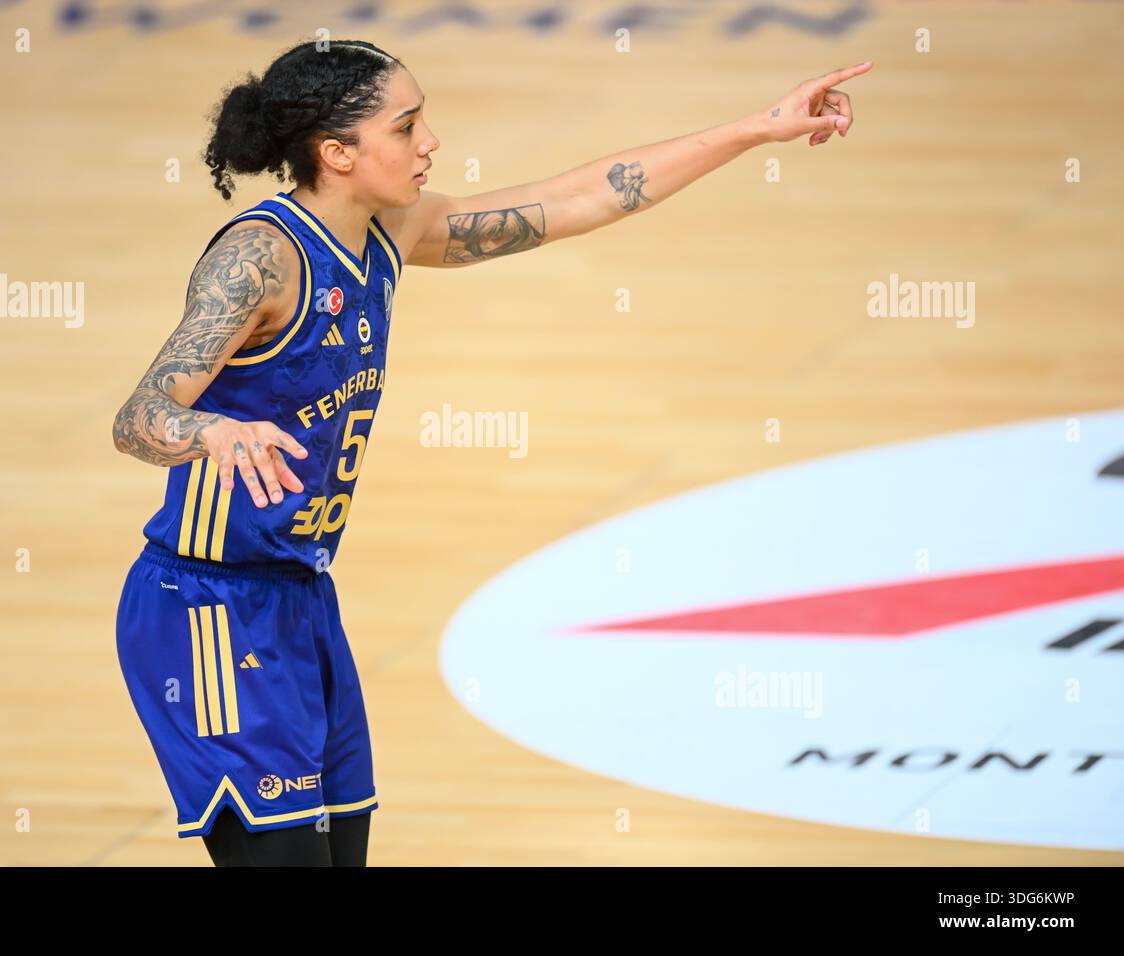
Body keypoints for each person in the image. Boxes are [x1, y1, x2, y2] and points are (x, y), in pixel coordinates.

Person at [111, 38, 871, 866]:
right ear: (336, 153)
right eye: (406, 127)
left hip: (300, 602)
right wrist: (212, 430)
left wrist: (759, 129)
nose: (430, 140)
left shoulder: (388, 234)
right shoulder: (260, 259)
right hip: (208, 612)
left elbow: (584, 198)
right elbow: (138, 415)